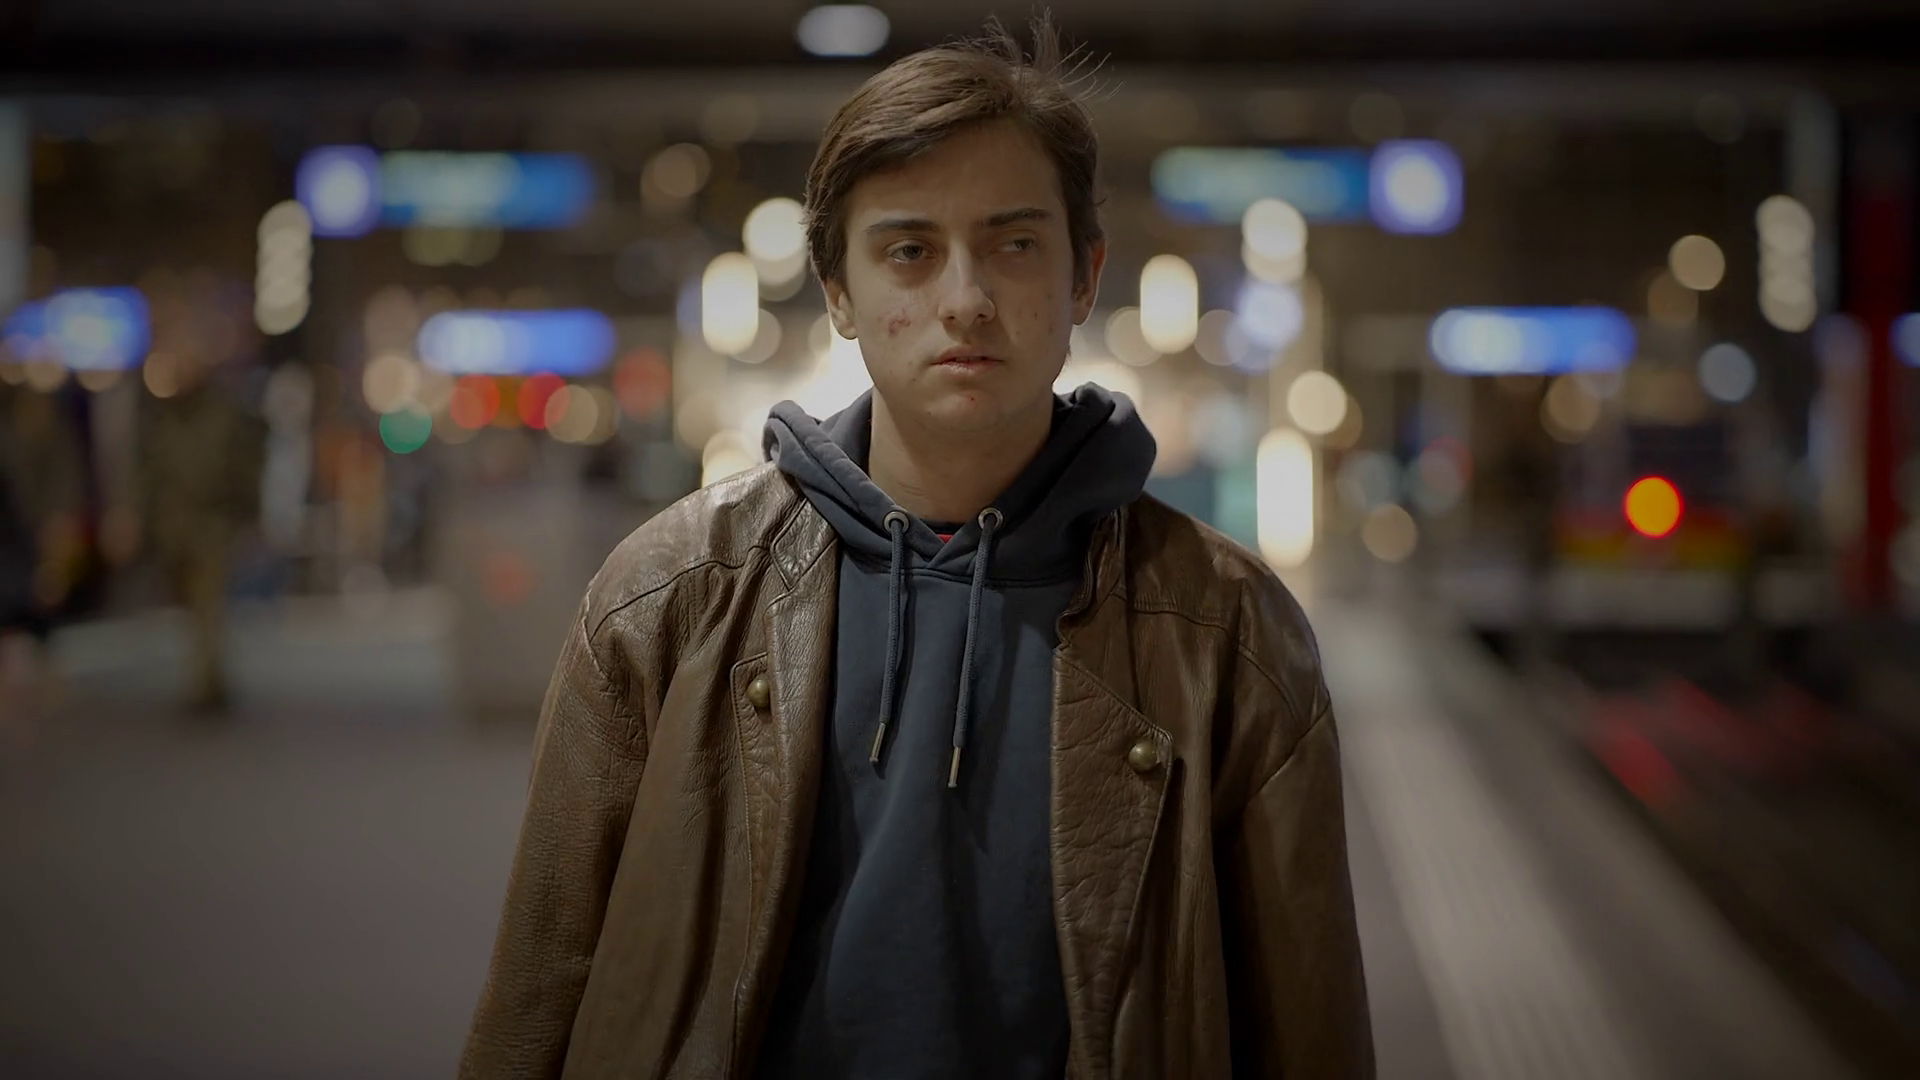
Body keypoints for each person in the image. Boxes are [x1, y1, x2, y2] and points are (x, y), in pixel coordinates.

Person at [462, 18, 1372, 1079]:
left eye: (1014, 245)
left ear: (1084, 277)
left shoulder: (1227, 633)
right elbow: (539, 996)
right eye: (910, 252)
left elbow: (1308, 1034)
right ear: (840, 292)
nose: (966, 300)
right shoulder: (669, 598)